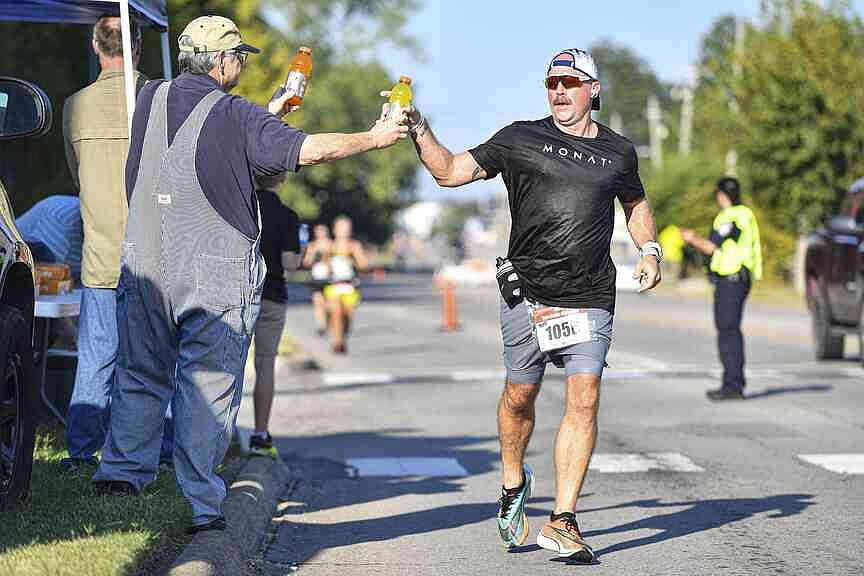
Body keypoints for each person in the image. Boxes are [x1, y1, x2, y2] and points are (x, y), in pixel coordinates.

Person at [92, 15, 408, 533]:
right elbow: (308, 150)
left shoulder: (148, 98)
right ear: (220, 61)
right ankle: (201, 502)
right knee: (208, 383)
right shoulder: (237, 113)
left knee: (140, 370)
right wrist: (374, 138)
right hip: (214, 267)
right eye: (238, 55)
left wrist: (268, 114)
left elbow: (199, 148)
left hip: (144, 259)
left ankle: (121, 477)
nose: (240, 63)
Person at [396, 48, 662, 562]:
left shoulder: (618, 152)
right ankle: (513, 481)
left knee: (584, 395)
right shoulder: (520, 139)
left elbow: (635, 203)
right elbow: (449, 172)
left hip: (589, 295)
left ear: (593, 90)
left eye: (570, 83)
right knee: (520, 396)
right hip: (527, 294)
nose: (559, 91)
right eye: (551, 83)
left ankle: (563, 519)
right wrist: (418, 127)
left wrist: (650, 248)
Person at [60, 15, 173, 472]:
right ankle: (163, 450)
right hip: (154, 257)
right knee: (157, 361)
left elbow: (77, 176)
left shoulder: (75, 107)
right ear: (138, 47)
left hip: (101, 256)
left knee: (95, 358)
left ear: (95, 46)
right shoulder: (159, 99)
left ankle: (81, 452)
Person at [681, 177, 762, 400]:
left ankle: (733, 385)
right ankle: (733, 383)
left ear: (721, 195)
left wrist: (691, 238)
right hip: (737, 278)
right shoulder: (745, 214)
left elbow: (710, 246)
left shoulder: (733, 216)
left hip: (732, 278)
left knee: (728, 331)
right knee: (729, 330)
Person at [250, 173, 300, 457]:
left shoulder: (241, 206)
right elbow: (290, 263)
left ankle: (219, 434)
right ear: (281, 180)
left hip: (239, 294)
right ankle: (260, 435)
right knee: (265, 363)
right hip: (272, 295)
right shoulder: (287, 216)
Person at [323, 215, 368, 354]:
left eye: (346, 227)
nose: (344, 230)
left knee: (347, 316)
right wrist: (328, 266)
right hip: (333, 285)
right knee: (336, 311)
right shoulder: (330, 246)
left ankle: (343, 337)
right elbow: (324, 265)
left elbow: (364, 265)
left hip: (350, 286)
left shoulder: (354, 246)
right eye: (341, 227)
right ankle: (337, 342)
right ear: (335, 229)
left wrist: (352, 262)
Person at [302, 223, 333, 336]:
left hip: (329, 277)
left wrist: (327, 257)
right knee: (317, 301)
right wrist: (313, 255)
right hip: (316, 277)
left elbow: (336, 261)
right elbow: (306, 262)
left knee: (329, 303)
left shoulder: (331, 245)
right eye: (318, 232)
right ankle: (321, 325)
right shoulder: (312, 246)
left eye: (322, 231)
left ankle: (329, 320)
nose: (321, 234)